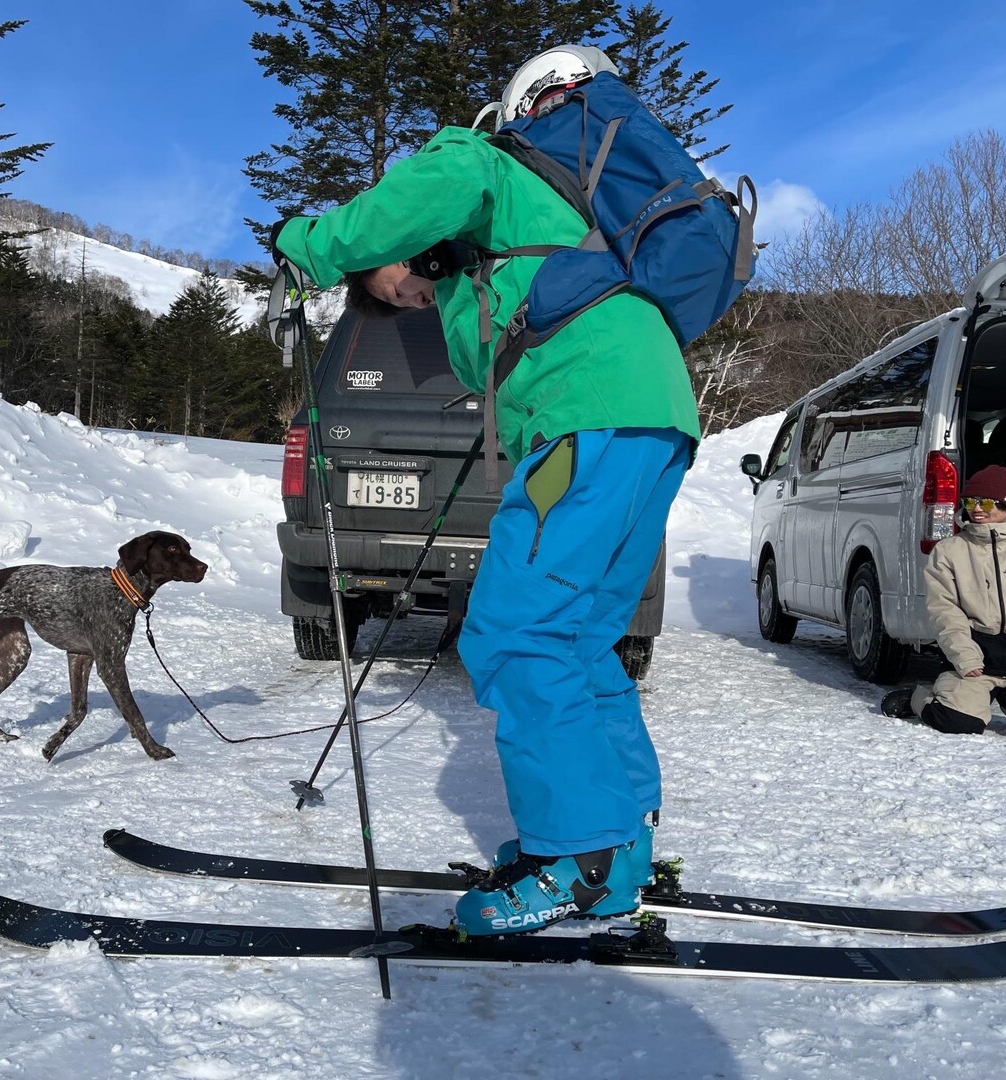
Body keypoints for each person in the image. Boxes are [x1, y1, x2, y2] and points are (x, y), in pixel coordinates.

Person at [270, 44, 700, 936]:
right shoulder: (547, 215)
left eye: (397, 282)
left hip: (591, 415)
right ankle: (618, 848)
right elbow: (503, 338)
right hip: (648, 414)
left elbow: (419, 197)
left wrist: (308, 249)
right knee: (580, 639)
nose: (411, 294)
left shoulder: (483, 162)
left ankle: (574, 857)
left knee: (516, 631)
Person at [881, 465, 1006, 743]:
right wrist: (966, 658)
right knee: (958, 722)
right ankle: (920, 698)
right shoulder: (949, 551)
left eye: (986, 502)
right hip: (976, 659)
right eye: (970, 502)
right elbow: (944, 610)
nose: (977, 509)